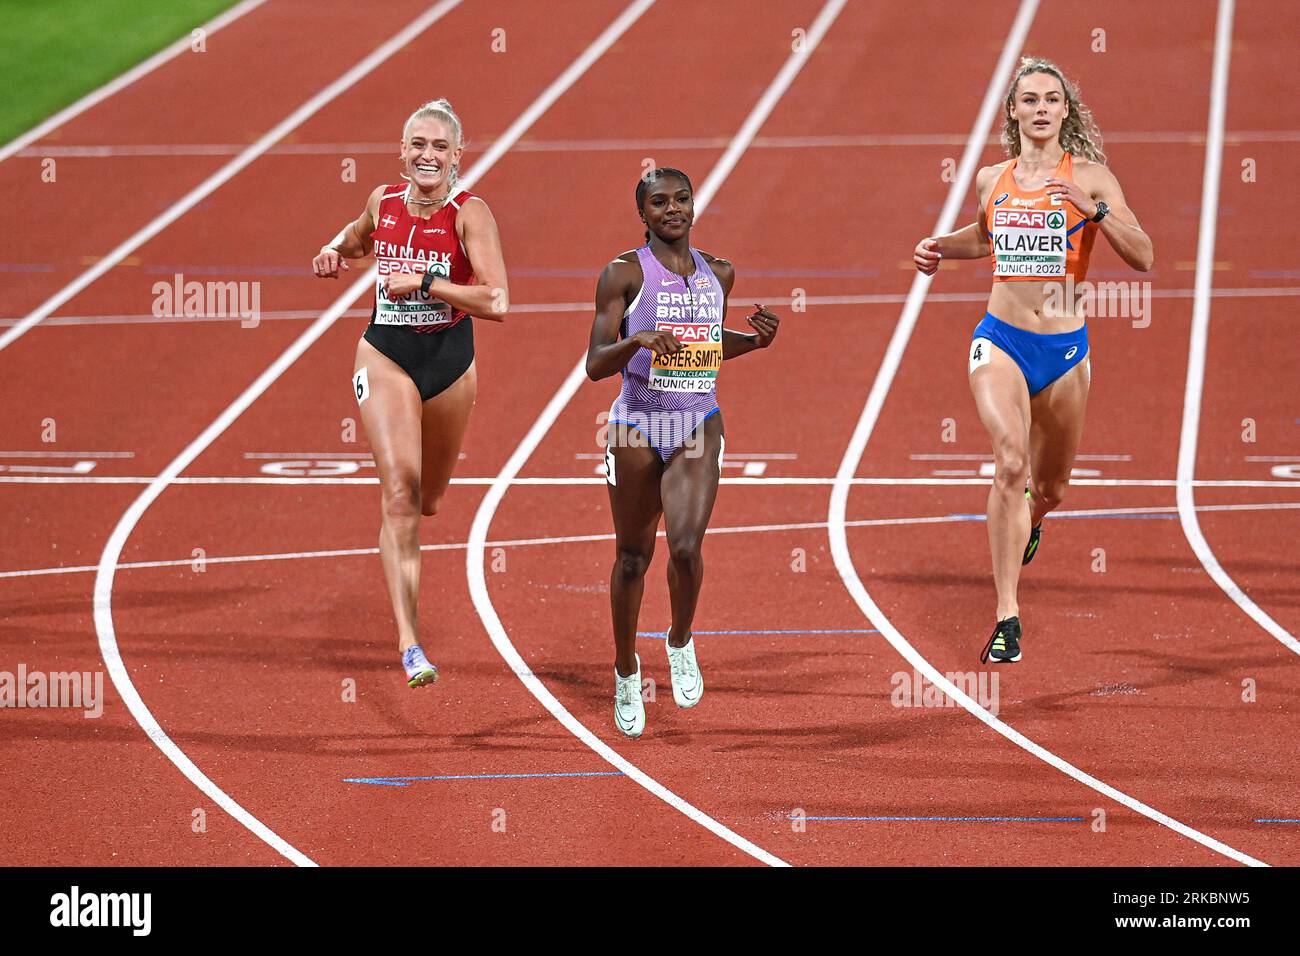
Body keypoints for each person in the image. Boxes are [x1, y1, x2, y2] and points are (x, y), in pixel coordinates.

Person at [913, 58, 1153, 664]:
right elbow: (984, 236)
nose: (1041, 108)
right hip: (1002, 341)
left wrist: (1092, 211)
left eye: (1052, 99)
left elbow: (1144, 256)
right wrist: (941, 246)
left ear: (1065, 111)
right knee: (1010, 459)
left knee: (1050, 488)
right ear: (1014, 113)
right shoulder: (992, 177)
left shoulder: (1094, 177)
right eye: (1030, 100)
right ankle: (1006, 616)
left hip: (1066, 351)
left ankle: (1034, 519)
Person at [311, 98, 508, 687]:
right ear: (402, 152)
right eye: (417, 145)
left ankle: (410, 620)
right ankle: (411, 645)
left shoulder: (470, 214)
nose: (427, 155)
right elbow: (359, 233)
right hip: (386, 353)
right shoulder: (384, 200)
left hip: (449, 364)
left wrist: (426, 281)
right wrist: (333, 249)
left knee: (430, 501)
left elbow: (497, 302)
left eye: (439, 147)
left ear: (456, 157)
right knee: (399, 490)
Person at [586, 167, 779, 737]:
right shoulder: (622, 274)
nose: (673, 210)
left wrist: (755, 341)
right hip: (635, 425)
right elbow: (596, 364)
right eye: (660, 203)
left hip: (697, 420)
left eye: (682, 200)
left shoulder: (719, 273)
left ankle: (680, 639)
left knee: (687, 547)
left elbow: (707, 350)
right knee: (631, 558)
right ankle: (625, 670)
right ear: (642, 214)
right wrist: (636, 340)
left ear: (695, 205)